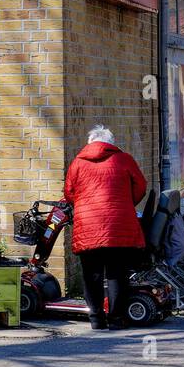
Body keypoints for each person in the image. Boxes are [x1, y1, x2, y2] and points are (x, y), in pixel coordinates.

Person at [62, 126, 147, 329]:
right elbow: (141, 187)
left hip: (88, 227)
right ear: (111, 142)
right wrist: (125, 204)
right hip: (119, 226)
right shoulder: (124, 159)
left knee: (92, 275)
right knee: (117, 273)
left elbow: (69, 193)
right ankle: (116, 319)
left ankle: (96, 319)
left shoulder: (77, 163)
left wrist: (83, 205)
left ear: (90, 142)